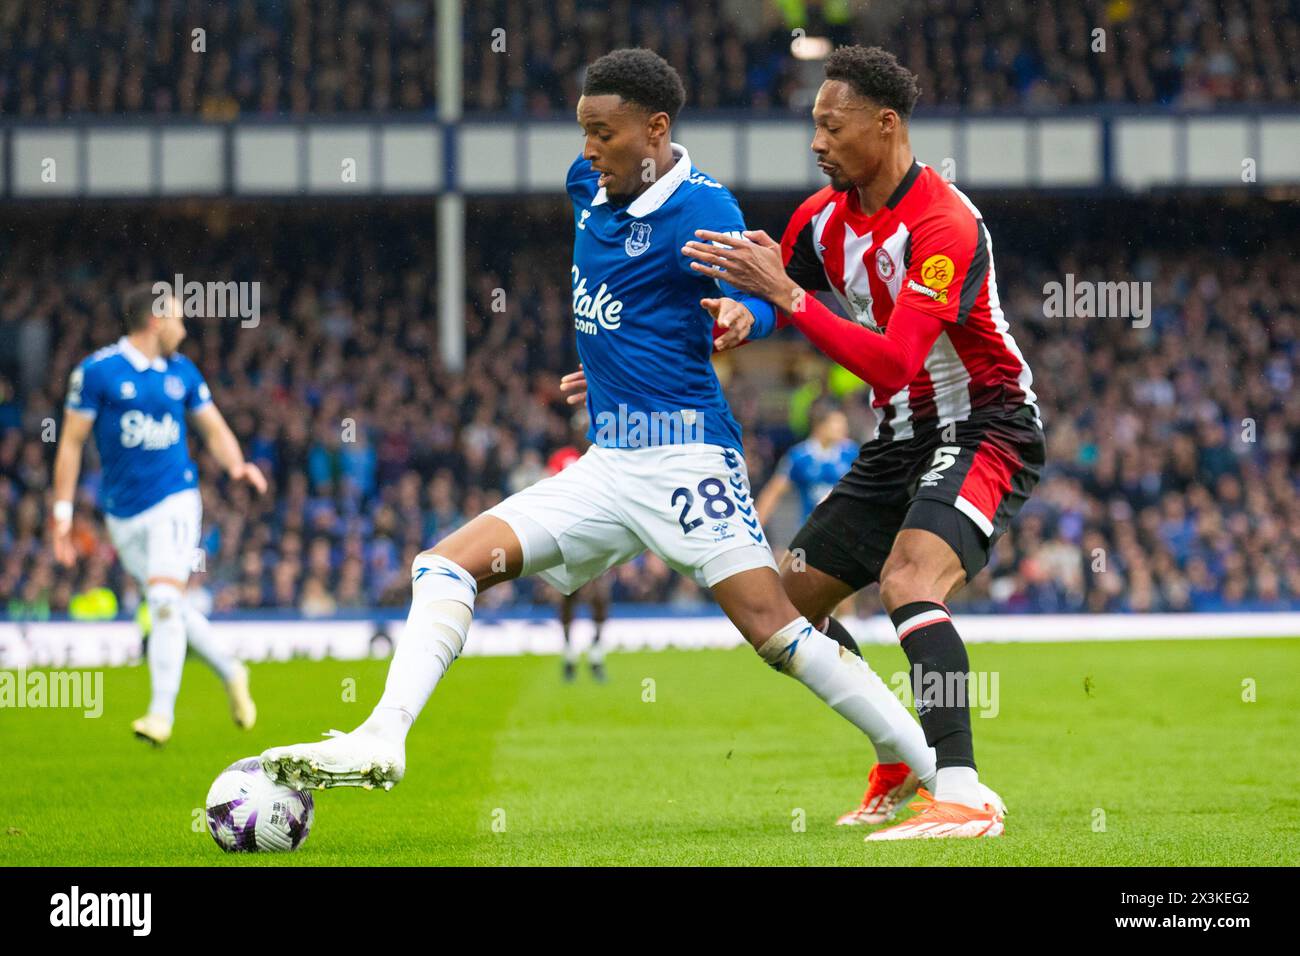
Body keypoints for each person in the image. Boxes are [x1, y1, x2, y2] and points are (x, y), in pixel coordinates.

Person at [260, 49, 946, 818]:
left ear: (656, 129)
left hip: (687, 456)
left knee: (773, 628)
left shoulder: (705, 211)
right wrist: (616, 363)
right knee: (445, 566)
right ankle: (383, 736)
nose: (588, 151)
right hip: (608, 460)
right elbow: (623, 297)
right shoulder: (586, 187)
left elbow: (768, 301)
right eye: (584, 131)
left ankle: (922, 761)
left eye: (604, 133)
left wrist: (738, 315)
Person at [681, 45, 1042, 838]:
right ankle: (896, 750)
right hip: (900, 437)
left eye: (831, 127)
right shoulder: (822, 219)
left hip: (986, 426)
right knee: (784, 602)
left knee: (909, 580)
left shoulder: (944, 224)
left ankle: (965, 793)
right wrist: (754, 315)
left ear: (885, 126)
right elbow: (793, 296)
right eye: (814, 126)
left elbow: (894, 357)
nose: (817, 143)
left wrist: (781, 297)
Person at [52, 285, 266, 745]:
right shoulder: (98, 372)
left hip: (176, 499)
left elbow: (212, 427)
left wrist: (236, 465)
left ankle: (159, 716)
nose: (184, 328)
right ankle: (232, 670)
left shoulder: (183, 373)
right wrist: (62, 512)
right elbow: (70, 442)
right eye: (177, 318)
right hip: (123, 514)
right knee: (166, 603)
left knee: (165, 601)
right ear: (154, 320)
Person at [755, 401, 858, 527]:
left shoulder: (852, 452)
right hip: (810, 531)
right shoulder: (799, 456)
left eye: (844, 423)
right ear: (819, 425)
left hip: (846, 531)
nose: (844, 428)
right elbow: (772, 492)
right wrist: (755, 530)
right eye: (837, 423)